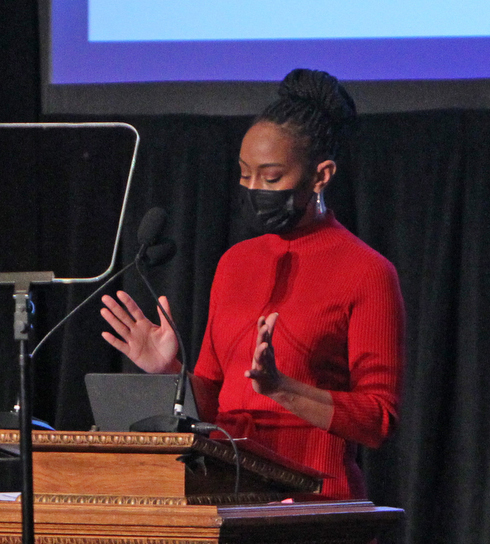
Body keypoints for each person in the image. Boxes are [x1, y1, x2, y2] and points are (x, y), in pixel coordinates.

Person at [100, 69, 403, 499]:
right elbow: (213, 401)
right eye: (245, 175)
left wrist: (283, 388)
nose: (254, 188)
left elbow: (378, 419)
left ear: (321, 176)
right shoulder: (235, 264)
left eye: (271, 176)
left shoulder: (367, 271)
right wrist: (171, 371)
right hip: (226, 493)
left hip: (317, 501)